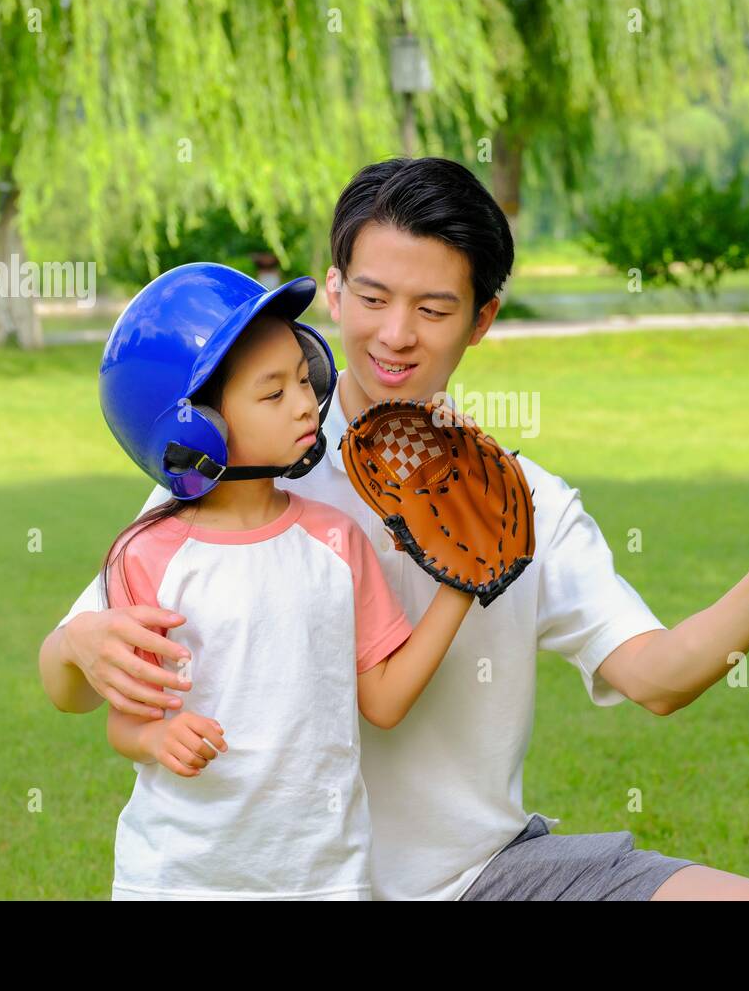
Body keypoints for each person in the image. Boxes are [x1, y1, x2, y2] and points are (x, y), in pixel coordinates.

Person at [41, 157, 749, 901]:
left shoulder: (523, 504)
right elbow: (69, 681)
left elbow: (656, 676)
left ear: (482, 318)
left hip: (484, 876)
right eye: (374, 298)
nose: (396, 334)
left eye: (434, 308)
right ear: (336, 293)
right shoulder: (232, 476)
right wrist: (80, 647)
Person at [86, 264, 480, 900]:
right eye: (272, 394)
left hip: (319, 877)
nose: (305, 404)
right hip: (180, 878)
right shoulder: (149, 555)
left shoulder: (334, 542)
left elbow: (382, 701)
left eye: (303, 379)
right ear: (191, 430)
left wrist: (462, 582)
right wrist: (157, 734)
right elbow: (124, 725)